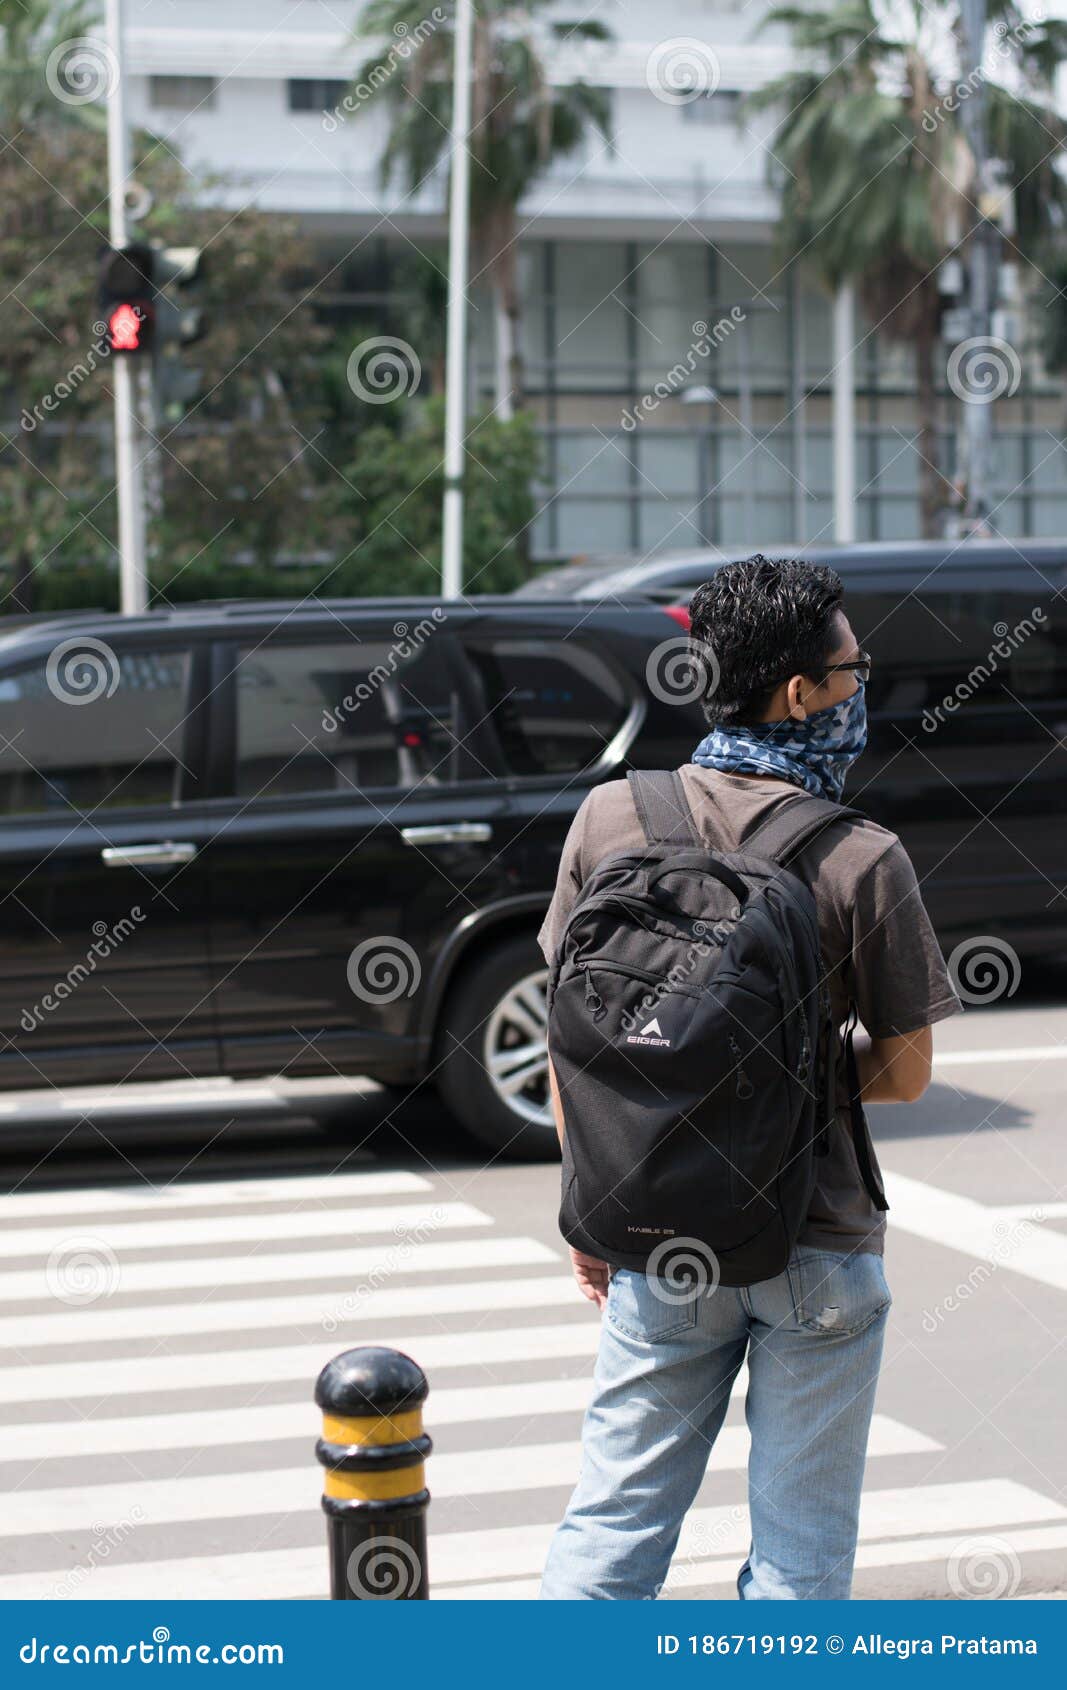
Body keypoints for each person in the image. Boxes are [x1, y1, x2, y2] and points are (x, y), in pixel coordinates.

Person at [537, 555, 962, 1601]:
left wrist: (593, 1211)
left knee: (611, 1528)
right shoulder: (860, 853)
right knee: (798, 1555)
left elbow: (573, 1042)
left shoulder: (610, 818)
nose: (860, 688)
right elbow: (905, 1073)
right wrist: (793, 1081)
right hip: (815, 1238)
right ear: (799, 692)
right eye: (850, 669)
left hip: (655, 1234)